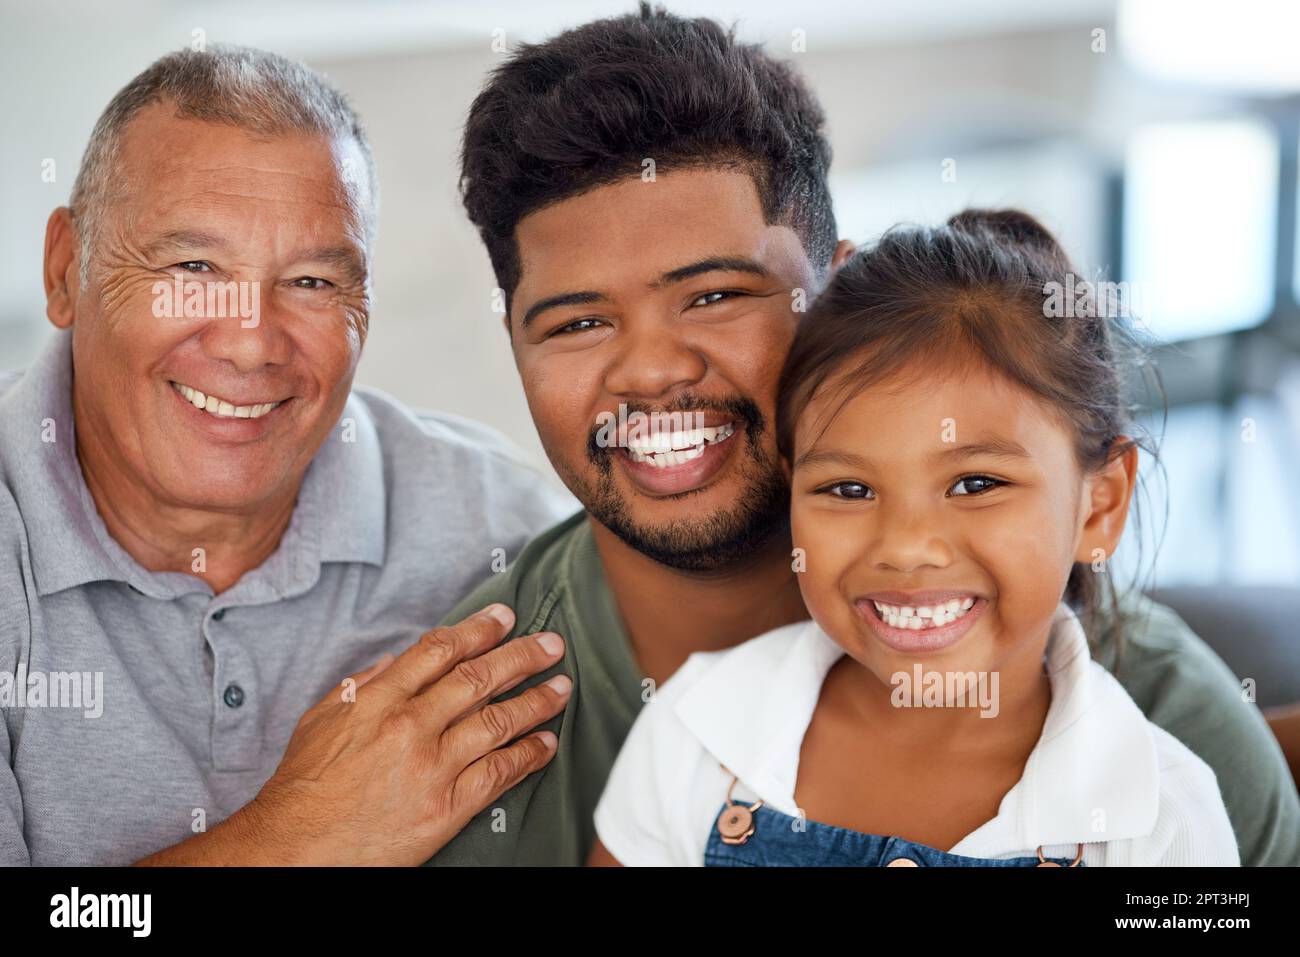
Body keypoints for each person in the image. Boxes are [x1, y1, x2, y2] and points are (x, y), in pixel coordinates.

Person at [428, 4, 1300, 866]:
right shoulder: (470, 731)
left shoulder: (1171, 740)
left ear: (836, 298)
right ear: (515, 345)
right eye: (577, 323)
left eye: (717, 295)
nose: (651, 372)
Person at [0, 45, 579, 865]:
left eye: (312, 281)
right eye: (194, 266)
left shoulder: (514, 532)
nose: (250, 344)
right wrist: (300, 836)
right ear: (66, 269)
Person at [589, 210, 1240, 866]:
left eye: (976, 483)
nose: (905, 546)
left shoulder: (1162, 821)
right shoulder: (697, 731)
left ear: (1099, 506)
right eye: (848, 490)